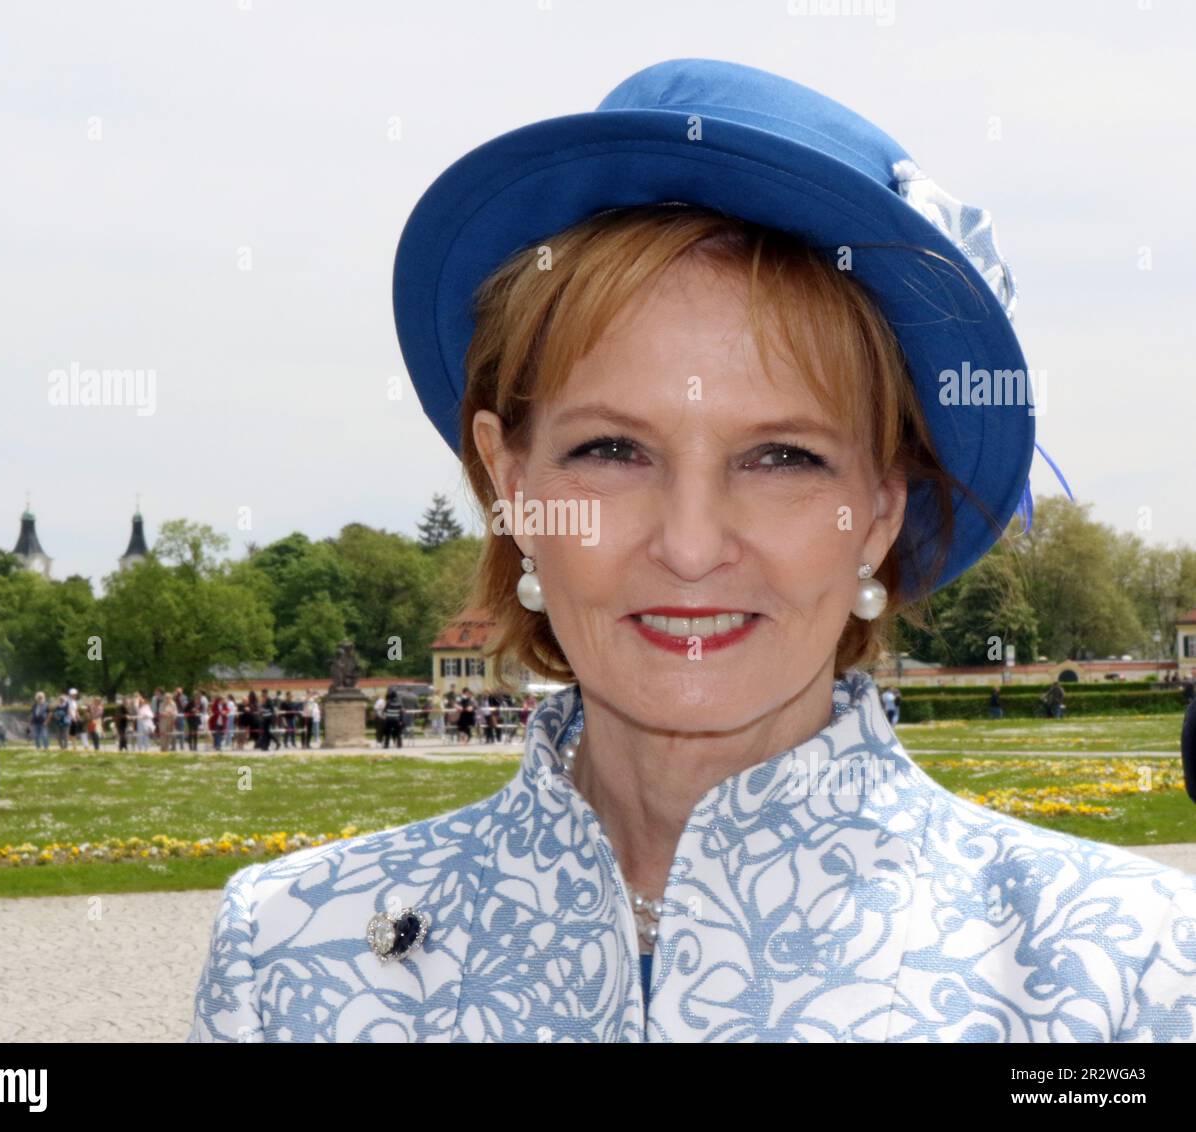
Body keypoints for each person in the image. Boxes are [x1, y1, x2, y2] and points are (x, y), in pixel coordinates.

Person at [190, 59, 1196, 1043]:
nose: (689, 544)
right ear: (511, 484)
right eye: (613, 449)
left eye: (781, 456)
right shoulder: (290, 958)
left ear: (880, 510)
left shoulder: (1117, 975)